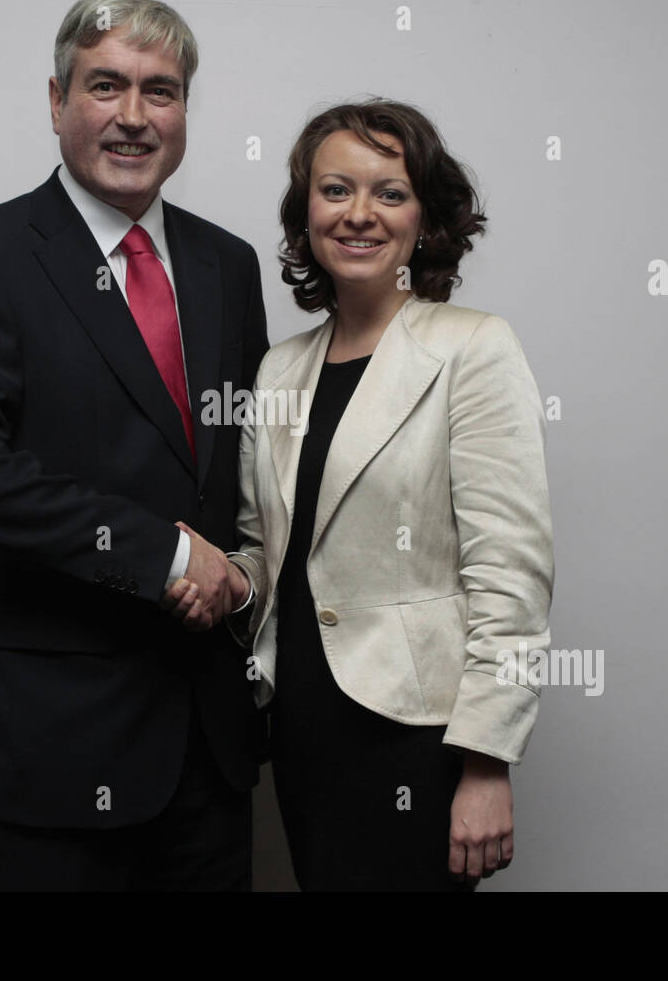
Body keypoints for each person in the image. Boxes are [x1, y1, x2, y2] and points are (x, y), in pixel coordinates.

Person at [0, 0, 268, 891]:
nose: (135, 117)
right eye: (106, 86)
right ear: (56, 100)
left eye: (162, 91)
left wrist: (247, 569)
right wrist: (163, 557)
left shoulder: (230, 262)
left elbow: (248, 471)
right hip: (44, 751)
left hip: (209, 753)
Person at [164, 98, 555, 891]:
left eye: (390, 191)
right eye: (336, 189)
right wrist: (219, 575)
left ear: (424, 218)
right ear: (306, 213)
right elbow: (263, 549)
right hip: (299, 729)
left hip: (417, 738)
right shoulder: (279, 369)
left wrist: (488, 762)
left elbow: (511, 576)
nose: (360, 214)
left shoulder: (472, 349)